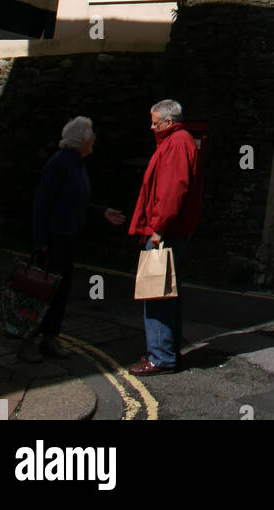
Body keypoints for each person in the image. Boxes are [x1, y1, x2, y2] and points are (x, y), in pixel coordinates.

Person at [21, 116, 125, 363]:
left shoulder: (77, 163)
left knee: (60, 291)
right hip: (54, 238)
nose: (94, 139)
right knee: (42, 292)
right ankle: (29, 342)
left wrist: (102, 212)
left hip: (67, 238)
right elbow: (42, 203)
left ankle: (49, 338)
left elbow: (75, 201)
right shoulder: (60, 163)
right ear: (81, 139)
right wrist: (40, 241)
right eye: (91, 134)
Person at [128, 100, 203, 375]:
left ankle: (160, 357)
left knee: (157, 294)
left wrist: (158, 228)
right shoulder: (179, 141)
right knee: (167, 293)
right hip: (172, 230)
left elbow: (173, 190)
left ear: (168, 122)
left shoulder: (176, 143)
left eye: (155, 122)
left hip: (166, 232)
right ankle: (167, 353)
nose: (151, 126)